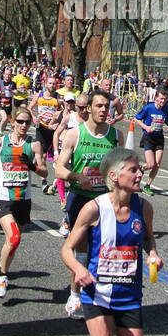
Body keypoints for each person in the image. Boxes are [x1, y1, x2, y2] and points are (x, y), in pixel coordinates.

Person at [62, 147, 161, 336]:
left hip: (130, 298)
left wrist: (153, 254)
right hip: (98, 296)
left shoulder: (144, 208)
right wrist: (79, 272)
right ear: (114, 176)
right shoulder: (94, 209)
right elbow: (67, 249)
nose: (140, 174)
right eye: (134, 170)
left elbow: (148, 237)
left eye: (140, 170)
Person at [55, 89, 119, 318]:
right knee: (81, 251)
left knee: (102, 251)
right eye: (99, 106)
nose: (103, 110)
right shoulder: (75, 134)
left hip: (104, 201)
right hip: (80, 199)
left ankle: (97, 294)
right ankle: (75, 295)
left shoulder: (115, 136)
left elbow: (118, 168)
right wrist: (76, 177)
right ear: (89, 108)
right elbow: (60, 168)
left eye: (106, 107)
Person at [0, 107, 47, 299]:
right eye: (20, 122)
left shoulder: (34, 144)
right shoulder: (2, 141)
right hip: (4, 199)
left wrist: (33, 166)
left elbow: (44, 172)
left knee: (13, 242)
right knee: (14, 238)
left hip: (23, 200)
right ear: (12, 122)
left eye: (27, 122)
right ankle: (2, 276)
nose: (23, 126)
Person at [134, 89, 168, 193]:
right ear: (156, 98)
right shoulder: (148, 108)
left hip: (159, 138)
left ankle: (147, 186)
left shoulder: (166, 109)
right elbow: (137, 119)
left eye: (164, 99)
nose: (163, 101)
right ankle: (140, 169)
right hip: (148, 137)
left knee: (157, 164)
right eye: (161, 99)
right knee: (150, 164)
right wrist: (146, 127)